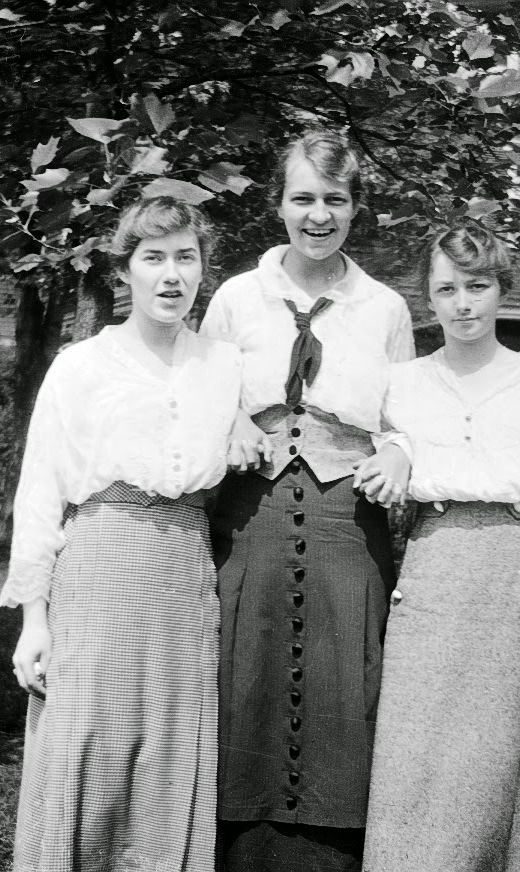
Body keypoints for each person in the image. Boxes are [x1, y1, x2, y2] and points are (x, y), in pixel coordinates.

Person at [0, 196, 242, 872]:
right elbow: (40, 493)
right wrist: (34, 620)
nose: (171, 275)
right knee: (88, 750)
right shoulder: (82, 366)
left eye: (186, 258)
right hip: (101, 571)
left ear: (203, 271)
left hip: (183, 579)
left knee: (170, 758)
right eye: (153, 258)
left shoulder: (223, 364)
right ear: (123, 271)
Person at [199, 129, 414, 871]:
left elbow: (407, 418)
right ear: (279, 204)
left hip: (344, 525)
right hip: (249, 519)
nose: (318, 215)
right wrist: (228, 416)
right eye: (303, 198)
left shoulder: (385, 309)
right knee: (244, 679)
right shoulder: (236, 298)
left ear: (355, 208)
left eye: (335, 200)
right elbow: (195, 390)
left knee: (341, 684)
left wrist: (397, 450)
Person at [362, 219, 520, 872]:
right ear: (428, 298)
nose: (462, 304)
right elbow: (384, 449)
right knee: (416, 768)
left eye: (477, 286)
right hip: (435, 576)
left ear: (501, 289)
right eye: (446, 289)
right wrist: (394, 451)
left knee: (513, 772)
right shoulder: (402, 383)